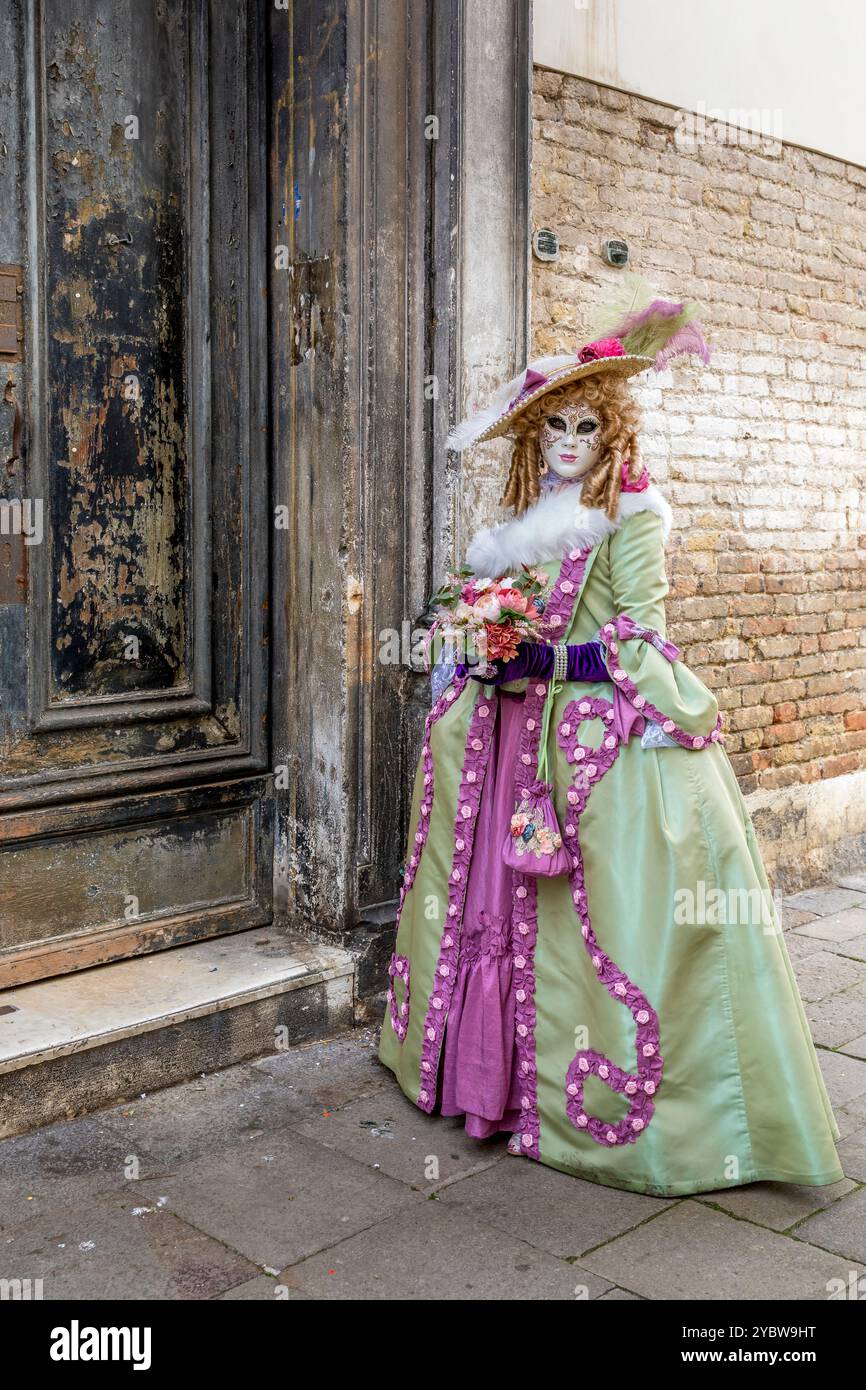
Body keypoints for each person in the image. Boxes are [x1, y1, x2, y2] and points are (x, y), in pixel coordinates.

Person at [378, 282, 843, 1196]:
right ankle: (479, 1080)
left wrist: (543, 663)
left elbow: (642, 637)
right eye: (553, 428)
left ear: (613, 432)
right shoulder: (508, 535)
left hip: (584, 744)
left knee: (587, 916)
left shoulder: (633, 518)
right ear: (531, 438)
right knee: (483, 897)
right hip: (502, 744)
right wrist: (475, 641)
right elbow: (481, 616)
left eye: (586, 428)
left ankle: (576, 1105)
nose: (566, 444)